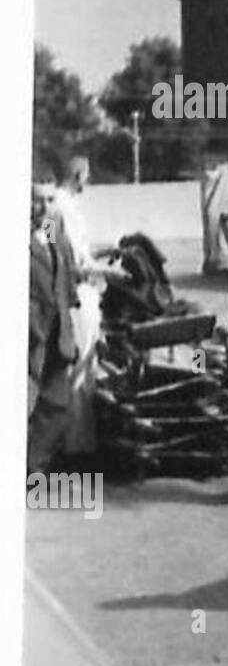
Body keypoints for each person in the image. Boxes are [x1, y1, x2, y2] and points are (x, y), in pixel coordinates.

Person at [29, 155, 80, 475]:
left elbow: (65, 272)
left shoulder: (52, 231)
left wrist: (70, 315)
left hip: (56, 333)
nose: (45, 207)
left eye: (50, 199)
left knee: (58, 408)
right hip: (30, 334)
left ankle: (33, 469)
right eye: (37, 200)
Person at [55, 153, 105, 455]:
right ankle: (78, 448)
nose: (88, 181)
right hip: (78, 296)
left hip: (78, 293)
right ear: (77, 175)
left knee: (81, 371)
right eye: (86, 175)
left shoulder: (62, 205)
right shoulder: (64, 207)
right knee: (81, 372)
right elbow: (72, 264)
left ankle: (77, 443)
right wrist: (108, 271)